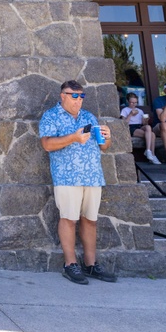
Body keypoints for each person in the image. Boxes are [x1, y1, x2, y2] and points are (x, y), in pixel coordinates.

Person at [39, 79, 116, 285]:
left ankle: (91, 264)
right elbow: (46, 144)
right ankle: (70, 264)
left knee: (90, 220)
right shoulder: (51, 116)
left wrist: (107, 138)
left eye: (81, 96)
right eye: (74, 96)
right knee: (69, 219)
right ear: (63, 96)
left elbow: (104, 147)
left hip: (92, 176)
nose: (78, 100)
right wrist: (73, 137)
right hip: (67, 176)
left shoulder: (89, 116)